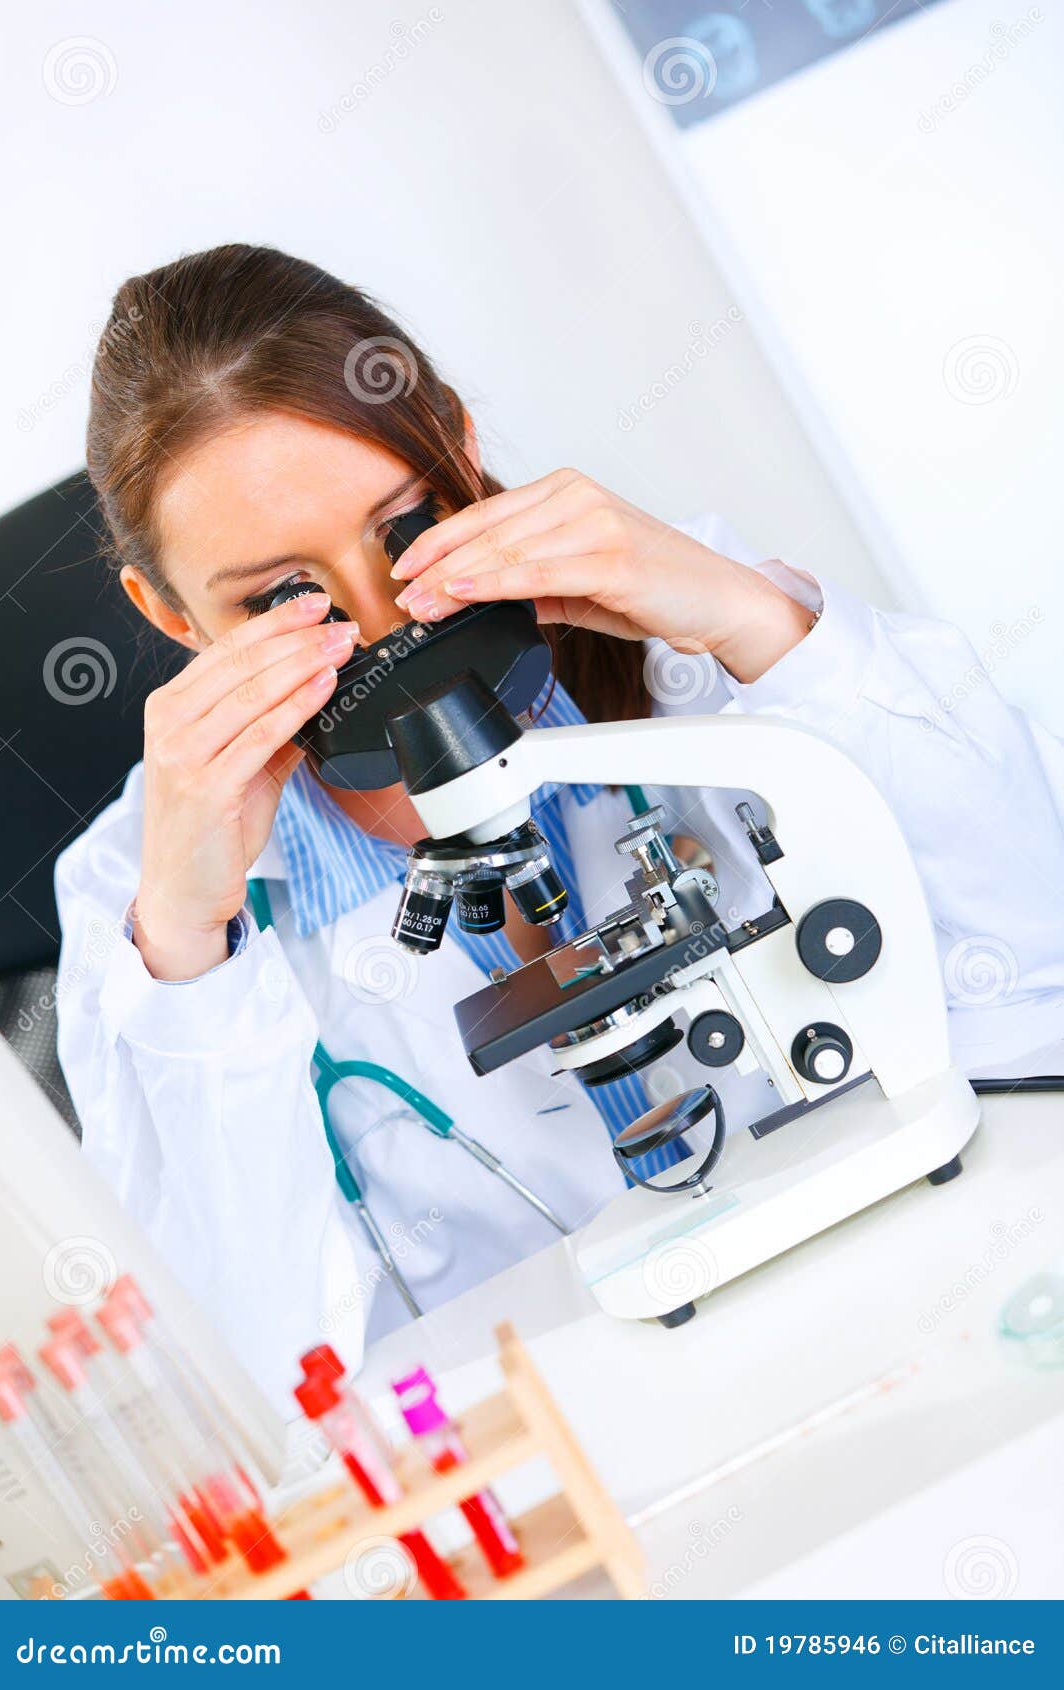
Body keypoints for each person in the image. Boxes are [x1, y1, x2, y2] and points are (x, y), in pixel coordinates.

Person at [54, 245, 1064, 1407]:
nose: (384, 622)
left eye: (404, 525)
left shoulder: (690, 634)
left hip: (931, 1316)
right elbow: (245, 1387)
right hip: (582, 1450)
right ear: (170, 613)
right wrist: (189, 951)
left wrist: (750, 619)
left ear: (461, 447)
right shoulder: (134, 903)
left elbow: (1032, 962)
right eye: (281, 600)